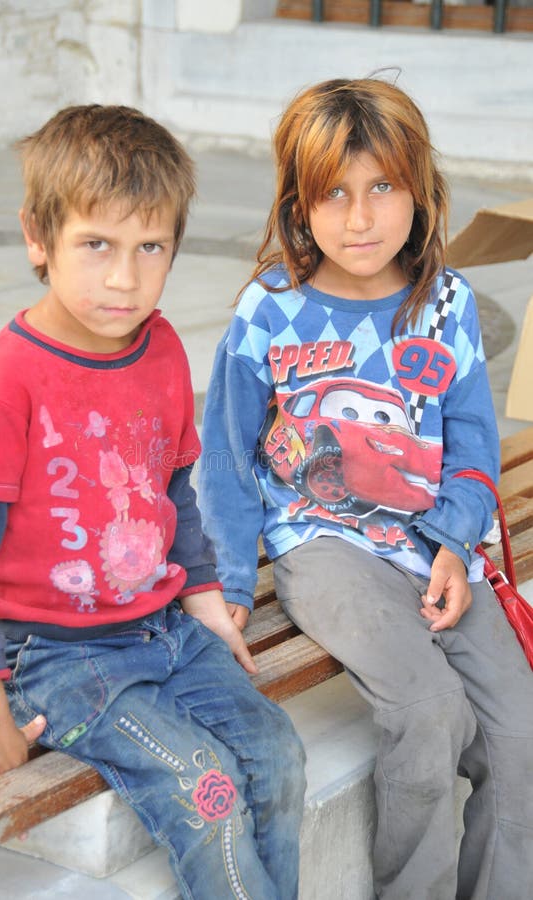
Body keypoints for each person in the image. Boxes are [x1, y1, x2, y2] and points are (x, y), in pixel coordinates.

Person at [0, 104, 306, 900]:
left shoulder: (162, 346)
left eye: (150, 248)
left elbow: (175, 487)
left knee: (278, 753)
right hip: (56, 656)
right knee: (204, 791)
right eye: (96, 244)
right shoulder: (7, 383)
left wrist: (206, 600)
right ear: (39, 237)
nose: (123, 278)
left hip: (163, 626)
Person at [198, 77, 533, 899]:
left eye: (382, 187)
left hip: (436, 548)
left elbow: (473, 443)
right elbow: (226, 459)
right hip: (325, 546)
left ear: (419, 191)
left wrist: (457, 541)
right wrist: (231, 581)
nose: (358, 217)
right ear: (297, 204)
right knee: (428, 712)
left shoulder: (446, 301)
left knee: (522, 738)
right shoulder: (269, 310)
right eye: (333, 194)